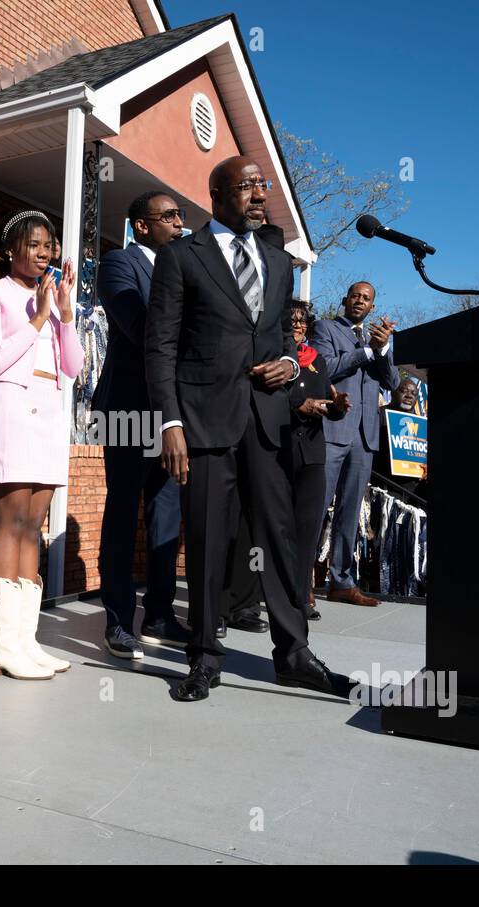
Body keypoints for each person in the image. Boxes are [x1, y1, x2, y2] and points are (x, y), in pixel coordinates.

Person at [146, 154, 353, 702]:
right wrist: (169, 421)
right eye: (249, 187)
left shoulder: (278, 261)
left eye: (264, 187)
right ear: (217, 193)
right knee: (210, 539)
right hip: (204, 420)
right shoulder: (181, 256)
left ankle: (294, 653)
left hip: (267, 420)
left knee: (279, 538)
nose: (261, 196)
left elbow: (287, 335)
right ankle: (204, 655)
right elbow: (160, 344)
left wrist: (289, 363)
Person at [0, 212, 85, 678]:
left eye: (49, 245)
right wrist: (38, 315)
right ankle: (1, 644)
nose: (44, 253)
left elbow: (75, 366)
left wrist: (62, 315)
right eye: (35, 244)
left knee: (34, 525)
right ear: (11, 248)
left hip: (48, 412)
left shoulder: (56, 299)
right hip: (11, 408)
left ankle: (26, 640)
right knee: (12, 519)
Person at [94, 191, 188, 659]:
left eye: (180, 216)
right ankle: (116, 618)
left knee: (166, 512)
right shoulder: (118, 264)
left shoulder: (186, 271)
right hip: (127, 408)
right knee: (124, 508)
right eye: (169, 216)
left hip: (169, 412)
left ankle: (160, 614)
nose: (179, 223)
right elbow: (142, 326)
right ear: (142, 226)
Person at [314, 280, 402, 607]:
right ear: (345, 299)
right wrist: (364, 352)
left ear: (372, 307)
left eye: (366, 298)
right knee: (317, 508)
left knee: (350, 513)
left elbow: (392, 383)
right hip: (333, 431)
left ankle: (341, 581)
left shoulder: (375, 341)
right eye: (355, 296)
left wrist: (380, 351)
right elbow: (324, 368)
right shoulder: (325, 328)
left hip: (365, 438)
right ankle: (300, 584)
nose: (360, 301)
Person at [289, 308, 350, 619]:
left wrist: (338, 408)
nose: (298, 324)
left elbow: (327, 401)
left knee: (308, 527)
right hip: (278, 449)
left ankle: (299, 597)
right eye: (292, 319)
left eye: (303, 321)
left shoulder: (317, 360)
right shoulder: (270, 353)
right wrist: (299, 406)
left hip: (312, 453)